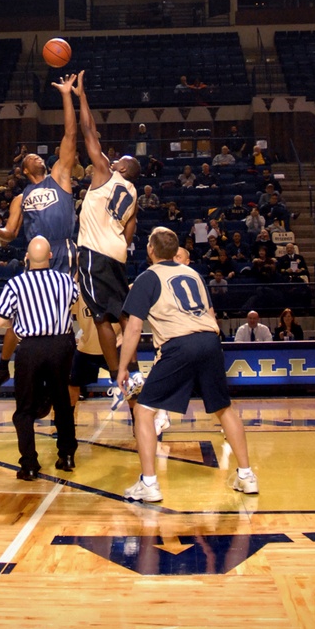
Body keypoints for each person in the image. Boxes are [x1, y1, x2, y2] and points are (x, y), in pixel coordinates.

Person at [116, 227, 257, 503]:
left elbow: (133, 329)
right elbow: (212, 316)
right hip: (210, 341)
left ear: (151, 251)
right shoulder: (193, 274)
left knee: (144, 411)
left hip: (179, 344)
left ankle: (149, 483)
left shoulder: (148, 277)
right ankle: (247, 474)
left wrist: (122, 368)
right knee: (224, 408)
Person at [0, 74, 80, 397]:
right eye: (31, 156)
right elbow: (11, 234)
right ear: (24, 169)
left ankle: (59, 380)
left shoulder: (60, 176)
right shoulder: (21, 197)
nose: (36, 155)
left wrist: (66, 95)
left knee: (61, 318)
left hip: (63, 250)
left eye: (38, 155)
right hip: (34, 260)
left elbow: (71, 134)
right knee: (21, 318)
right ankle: (2, 366)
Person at [0, 236, 77, 480]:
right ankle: (67, 454)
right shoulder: (65, 281)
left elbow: (0, 320)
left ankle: (29, 464)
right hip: (61, 346)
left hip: (30, 347)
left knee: (25, 408)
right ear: (50, 256)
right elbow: (74, 302)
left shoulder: (16, 283)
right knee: (62, 402)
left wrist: (21, 321)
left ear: (27, 258)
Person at [74, 72, 140, 379]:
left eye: (119, 159)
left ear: (123, 167)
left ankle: (117, 374)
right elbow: (130, 231)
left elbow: (89, 131)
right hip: (117, 254)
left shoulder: (106, 173)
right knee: (123, 315)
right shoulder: (134, 193)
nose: (113, 159)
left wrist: (81, 95)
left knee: (101, 317)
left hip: (95, 253)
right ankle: (134, 367)